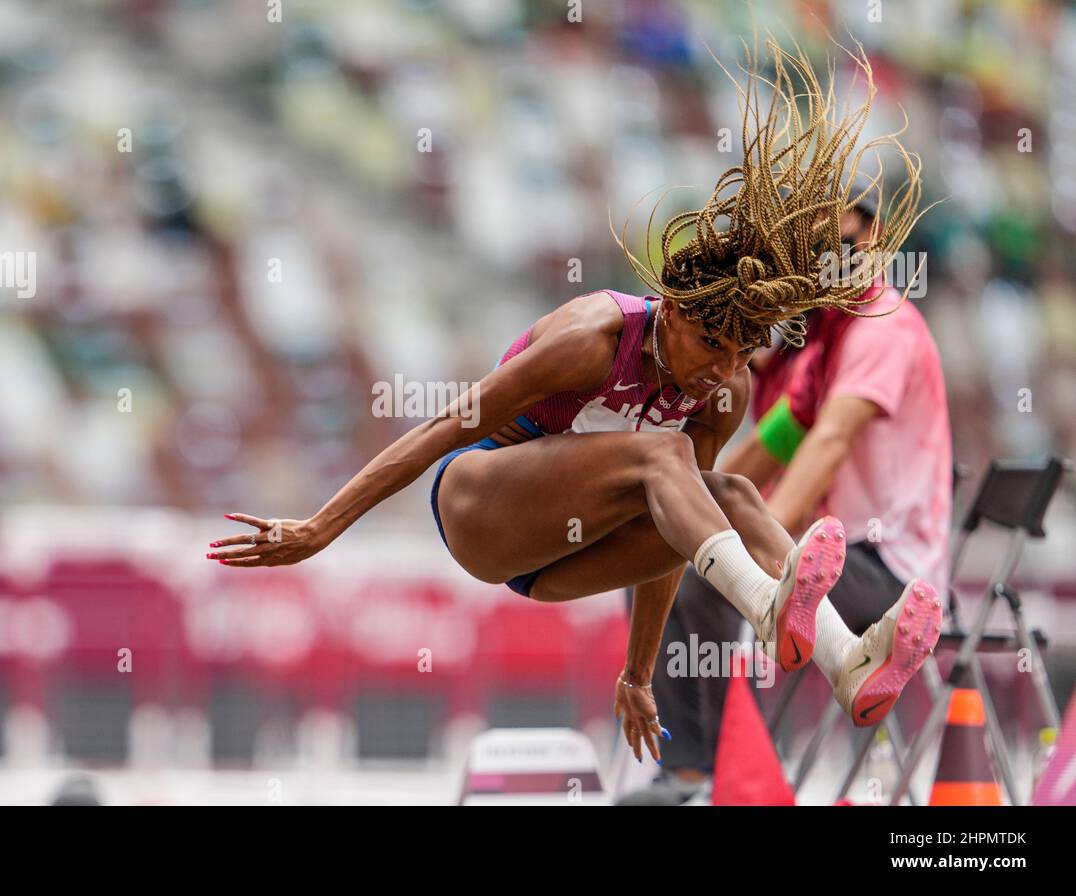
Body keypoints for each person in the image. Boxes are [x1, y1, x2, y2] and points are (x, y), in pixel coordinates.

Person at [209, 38, 942, 765]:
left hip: (559, 562)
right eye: (711, 346)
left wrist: (639, 671)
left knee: (735, 496)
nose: (721, 374)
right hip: (480, 508)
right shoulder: (592, 337)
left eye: (738, 356)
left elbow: (681, 538)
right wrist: (320, 528)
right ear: (675, 311)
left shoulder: (725, 392)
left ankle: (847, 662)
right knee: (671, 454)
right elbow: (444, 426)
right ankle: (774, 604)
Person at [644, 195, 953, 793]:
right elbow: (771, 447)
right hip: (824, 555)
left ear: (875, 240)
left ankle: (704, 779)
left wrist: (740, 548)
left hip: (885, 568)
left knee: (697, 573)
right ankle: (699, 772)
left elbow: (832, 439)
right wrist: (684, 500)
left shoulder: (882, 324)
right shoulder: (817, 348)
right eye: (815, 249)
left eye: (843, 244)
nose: (829, 260)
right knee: (664, 547)